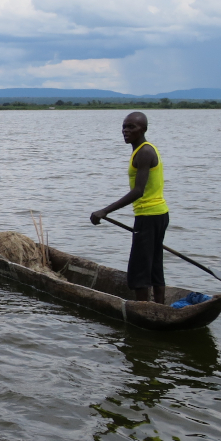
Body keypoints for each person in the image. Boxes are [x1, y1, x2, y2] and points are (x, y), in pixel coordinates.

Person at [90, 111, 169, 303]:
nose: (125, 130)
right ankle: (160, 307)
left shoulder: (144, 152)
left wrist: (104, 211)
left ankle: (145, 310)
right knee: (154, 265)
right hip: (159, 215)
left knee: (139, 270)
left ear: (143, 129)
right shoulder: (143, 150)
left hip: (149, 216)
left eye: (131, 127)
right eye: (124, 126)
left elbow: (138, 191)